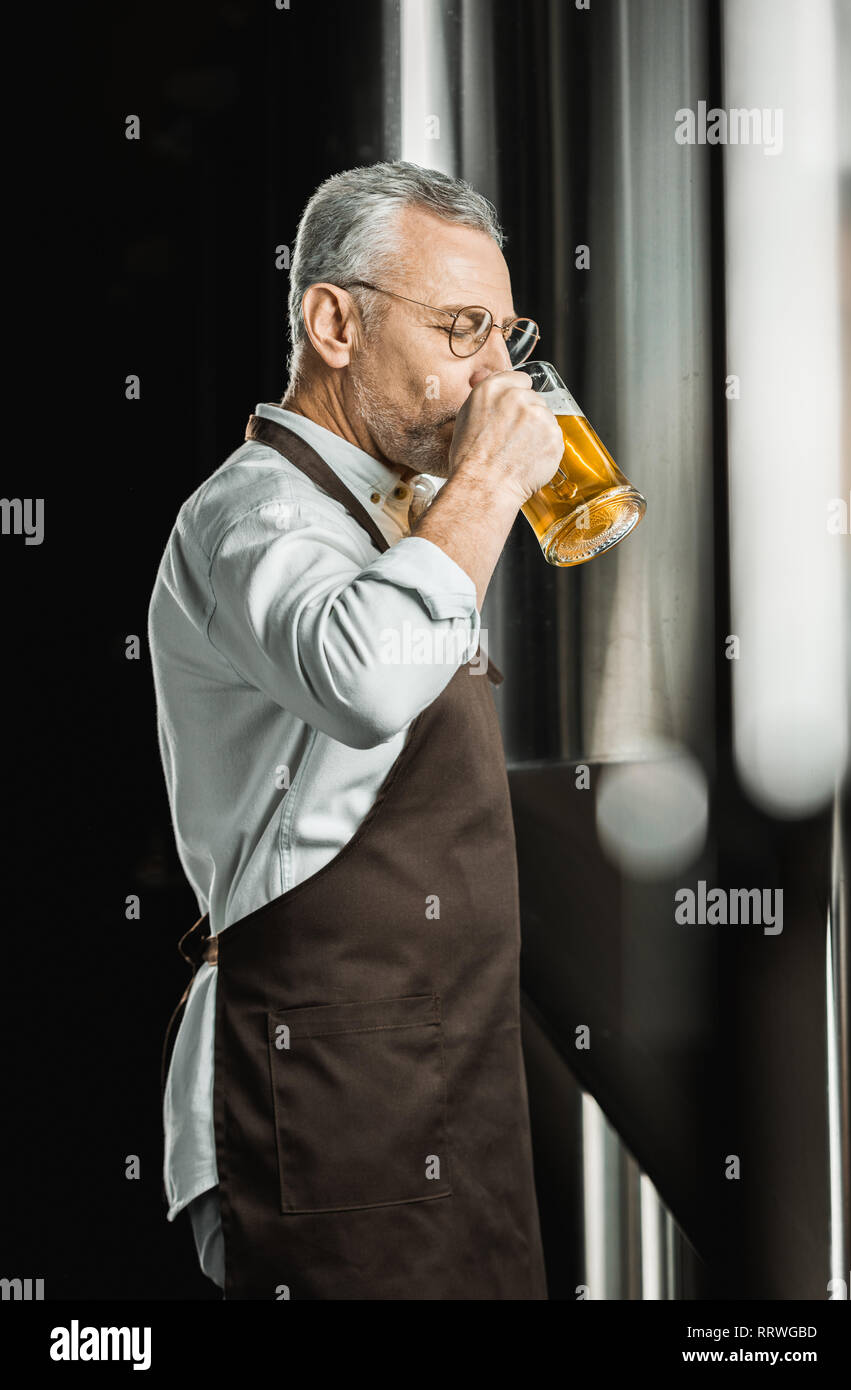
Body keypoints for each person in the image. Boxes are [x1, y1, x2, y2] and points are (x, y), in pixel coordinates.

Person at [149, 159, 562, 1300]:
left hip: (440, 1092)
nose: (496, 376)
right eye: (463, 328)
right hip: (316, 1097)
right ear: (334, 320)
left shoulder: (394, 523)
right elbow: (363, 678)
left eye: (507, 335)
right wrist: (481, 492)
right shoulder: (254, 509)